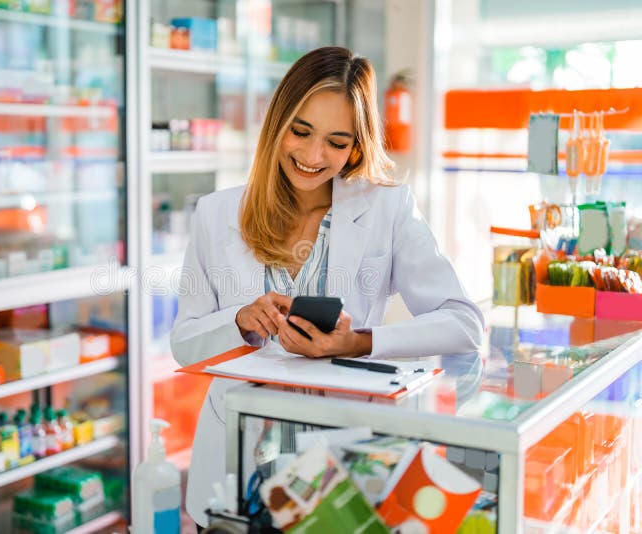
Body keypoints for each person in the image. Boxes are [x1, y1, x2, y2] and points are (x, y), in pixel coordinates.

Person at [170, 46, 484, 527]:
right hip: (238, 456)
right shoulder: (216, 214)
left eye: (336, 142)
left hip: (342, 462)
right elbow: (185, 342)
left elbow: (463, 323)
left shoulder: (386, 208)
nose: (314, 156)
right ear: (277, 123)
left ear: (356, 146)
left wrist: (357, 342)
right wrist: (239, 321)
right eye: (300, 132)